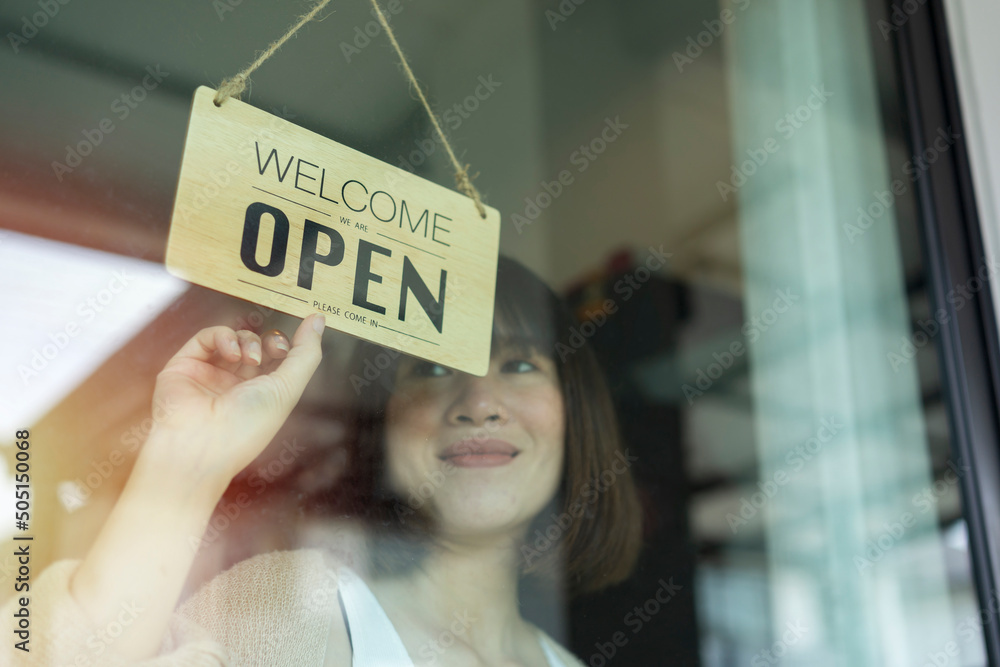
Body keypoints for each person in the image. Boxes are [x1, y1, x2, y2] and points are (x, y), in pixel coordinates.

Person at [6, 257, 641, 666]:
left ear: (576, 411)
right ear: (385, 424)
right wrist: (187, 461)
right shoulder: (294, 613)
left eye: (521, 363)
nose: (477, 402)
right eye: (433, 367)